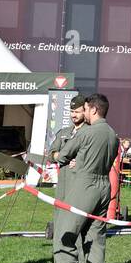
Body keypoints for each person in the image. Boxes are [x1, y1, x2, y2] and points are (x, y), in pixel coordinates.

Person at [52, 94, 121, 263]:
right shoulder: (113, 135)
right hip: (104, 189)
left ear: (92, 109)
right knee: (95, 243)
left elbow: (62, 156)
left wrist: (61, 156)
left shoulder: (87, 133)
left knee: (63, 238)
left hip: (85, 186)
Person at [46, 95, 88, 248]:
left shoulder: (90, 132)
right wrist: (62, 157)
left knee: (78, 225)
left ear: (85, 111)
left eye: (77, 111)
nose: (73, 115)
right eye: (71, 111)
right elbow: (51, 154)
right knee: (60, 224)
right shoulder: (64, 132)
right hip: (62, 187)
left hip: (80, 187)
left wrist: (79, 161)